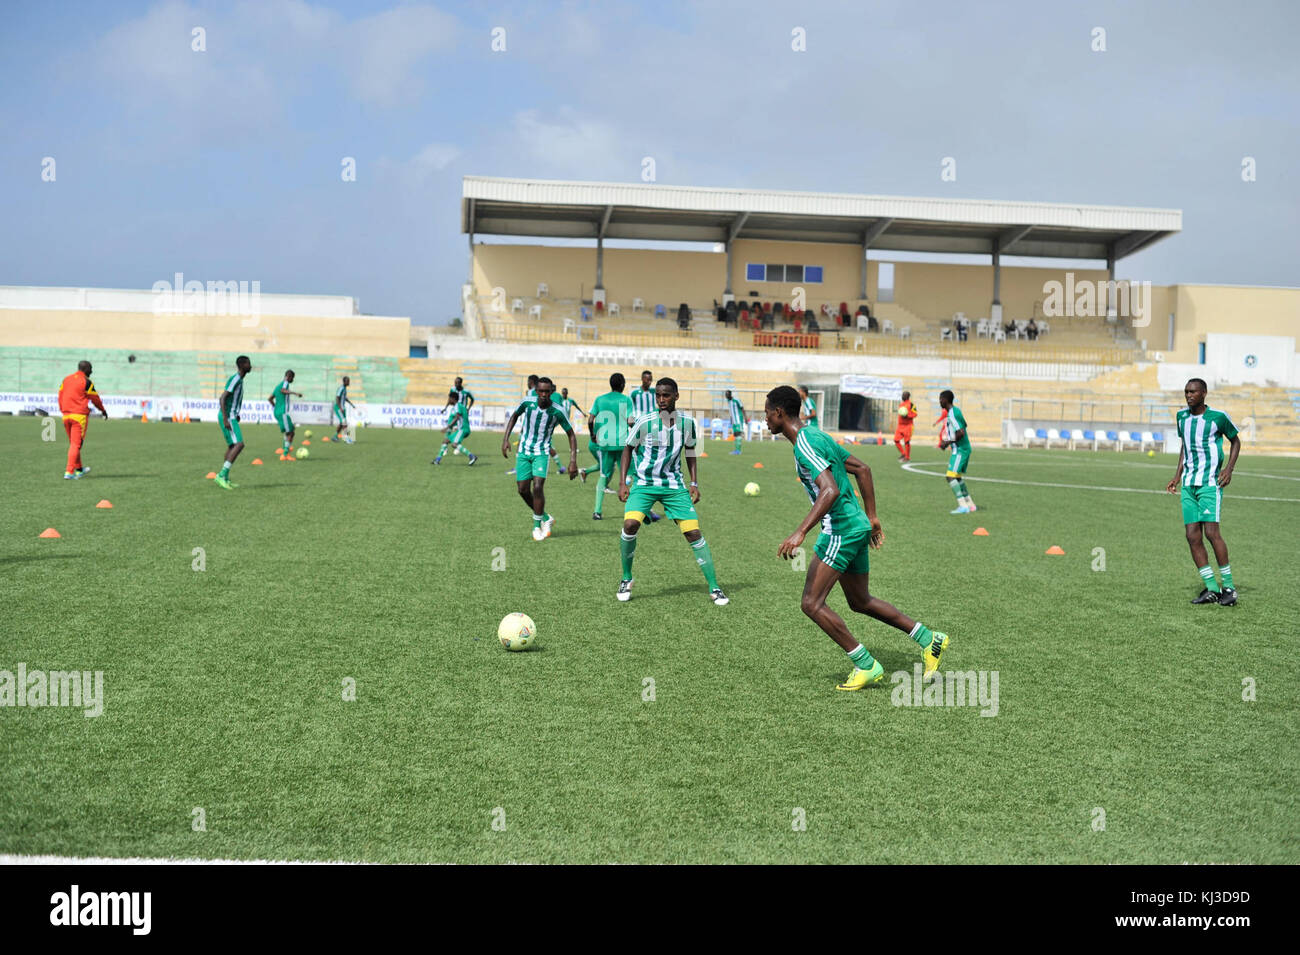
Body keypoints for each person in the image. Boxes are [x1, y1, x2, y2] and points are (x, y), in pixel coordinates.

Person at [765, 385, 949, 691]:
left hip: (840, 528)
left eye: (767, 413)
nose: (765, 420)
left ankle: (866, 664)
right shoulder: (818, 435)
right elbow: (863, 469)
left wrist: (799, 533)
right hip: (856, 525)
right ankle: (930, 639)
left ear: (780, 413)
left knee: (811, 603)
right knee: (860, 601)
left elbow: (830, 490)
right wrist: (872, 518)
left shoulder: (804, 444)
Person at [616, 378, 727, 606]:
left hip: (674, 486)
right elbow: (627, 449)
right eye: (658, 395)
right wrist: (622, 482)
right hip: (644, 484)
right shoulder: (645, 422)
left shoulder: (687, 423)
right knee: (630, 525)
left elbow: (691, 452)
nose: (661, 400)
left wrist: (694, 482)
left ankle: (714, 587)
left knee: (693, 533)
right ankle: (626, 578)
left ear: (676, 396)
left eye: (666, 395)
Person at [1166, 378, 1240, 606]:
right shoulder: (1181, 418)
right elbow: (1185, 447)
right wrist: (1177, 476)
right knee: (1191, 536)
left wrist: (1229, 469)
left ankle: (1229, 587)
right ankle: (1210, 588)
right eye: (1186, 391)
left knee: (1211, 533)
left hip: (1210, 483)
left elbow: (1236, 441)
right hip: (1189, 483)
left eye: (1193, 392)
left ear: (1204, 393)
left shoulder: (1218, 417)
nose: (1189, 395)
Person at [501, 377, 577, 541]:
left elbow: (571, 434)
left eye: (547, 391)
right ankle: (545, 517)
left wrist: (572, 460)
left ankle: (536, 526)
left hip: (541, 453)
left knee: (537, 487)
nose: (543, 394)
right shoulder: (528, 402)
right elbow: (514, 416)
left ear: (551, 392)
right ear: (536, 391)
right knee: (522, 490)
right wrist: (505, 439)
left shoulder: (557, 410)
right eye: (541, 391)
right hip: (523, 451)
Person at [583, 373, 633, 520]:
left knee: (604, 475)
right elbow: (630, 421)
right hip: (622, 443)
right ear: (623, 385)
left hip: (605, 444)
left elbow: (591, 419)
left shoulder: (600, 399)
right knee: (632, 475)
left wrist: (593, 434)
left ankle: (597, 511)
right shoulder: (626, 400)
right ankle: (643, 511)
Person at [58, 360, 107, 479]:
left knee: (74, 444)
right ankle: (69, 472)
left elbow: (60, 395)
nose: (92, 371)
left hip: (66, 416)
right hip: (79, 416)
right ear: (86, 369)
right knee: (76, 445)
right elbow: (95, 399)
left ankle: (79, 470)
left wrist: (63, 410)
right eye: (91, 369)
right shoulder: (86, 381)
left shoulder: (66, 379)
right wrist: (103, 410)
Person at [215, 356, 251, 489]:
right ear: (242, 365)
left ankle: (224, 477)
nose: (250, 366)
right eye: (248, 363)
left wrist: (236, 414)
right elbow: (223, 397)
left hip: (231, 415)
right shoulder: (235, 379)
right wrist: (226, 418)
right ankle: (221, 474)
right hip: (228, 416)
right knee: (239, 444)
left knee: (232, 446)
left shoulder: (240, 380)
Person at [937, 390, 976, 513]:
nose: (940, 402)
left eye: (941, 399)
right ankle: (970, 504)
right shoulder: (956, 411)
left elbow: (961, 432)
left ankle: (963, 505)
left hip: (960, 450)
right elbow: (964, 425)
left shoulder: (952, 414)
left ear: (946, 400)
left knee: (950, 477)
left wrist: (947, 442)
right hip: (963, 448)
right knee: (957, 477)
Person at [435, 379, 478, 465]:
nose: (449, 400)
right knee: (445, 441)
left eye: (449, 398)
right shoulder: (459, 406)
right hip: (461, 429)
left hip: (462, 429)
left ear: (453, 399)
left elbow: (457, 417)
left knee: (454, 444)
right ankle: (437, 459)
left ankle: (471, 456)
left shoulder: (457, 406)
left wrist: (447, 427)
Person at [269, 370, 303, 456]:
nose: (293, 380)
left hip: (278, 412)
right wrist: (295, 393)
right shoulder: (285, 383)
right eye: (293, 378)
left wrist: (276, 407)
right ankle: (285, 454)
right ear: (289, 377)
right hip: (282, 412)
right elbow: (283, 390)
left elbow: (270, 398)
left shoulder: (277, 386)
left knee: (290, 431)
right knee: (290, 432)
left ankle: (285, 449)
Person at [894, 390, 918, 462]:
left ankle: (907, 457)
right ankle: (903, 453)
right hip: (900, 426)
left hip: (908, 426)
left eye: (904, 395)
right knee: (896, 440)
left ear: (907, 396)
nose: (902, 396)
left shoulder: (911, 404)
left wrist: (907, 415)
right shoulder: (901, 404)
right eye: (902, 395)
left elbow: (915, 414)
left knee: (906, 442)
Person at [333, 375, 356, 444]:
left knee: (342, 423)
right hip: (338, 408)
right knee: (344, 423)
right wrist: (340, 407)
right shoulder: (341, 388)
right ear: (344, 381)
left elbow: (344, 398)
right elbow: (337, 397)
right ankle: (347, 438)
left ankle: (335, 437)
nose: (349, 382)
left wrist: (351, 404)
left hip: (342, 408)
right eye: (348, 381)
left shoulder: (344, 389)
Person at [725, 389, 745, 454]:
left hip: (738, 419)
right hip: (734, 421)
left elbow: (742, 408)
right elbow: (731, 411)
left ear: (730, 394)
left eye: (727, 394)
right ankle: (736, 450)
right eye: (726, 394)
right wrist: (731, 419)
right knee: (736, 434)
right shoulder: (728, 401)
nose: (726, 395)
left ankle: (738, 451)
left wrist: (746, 418)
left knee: (738, 433)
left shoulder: (736, 400)